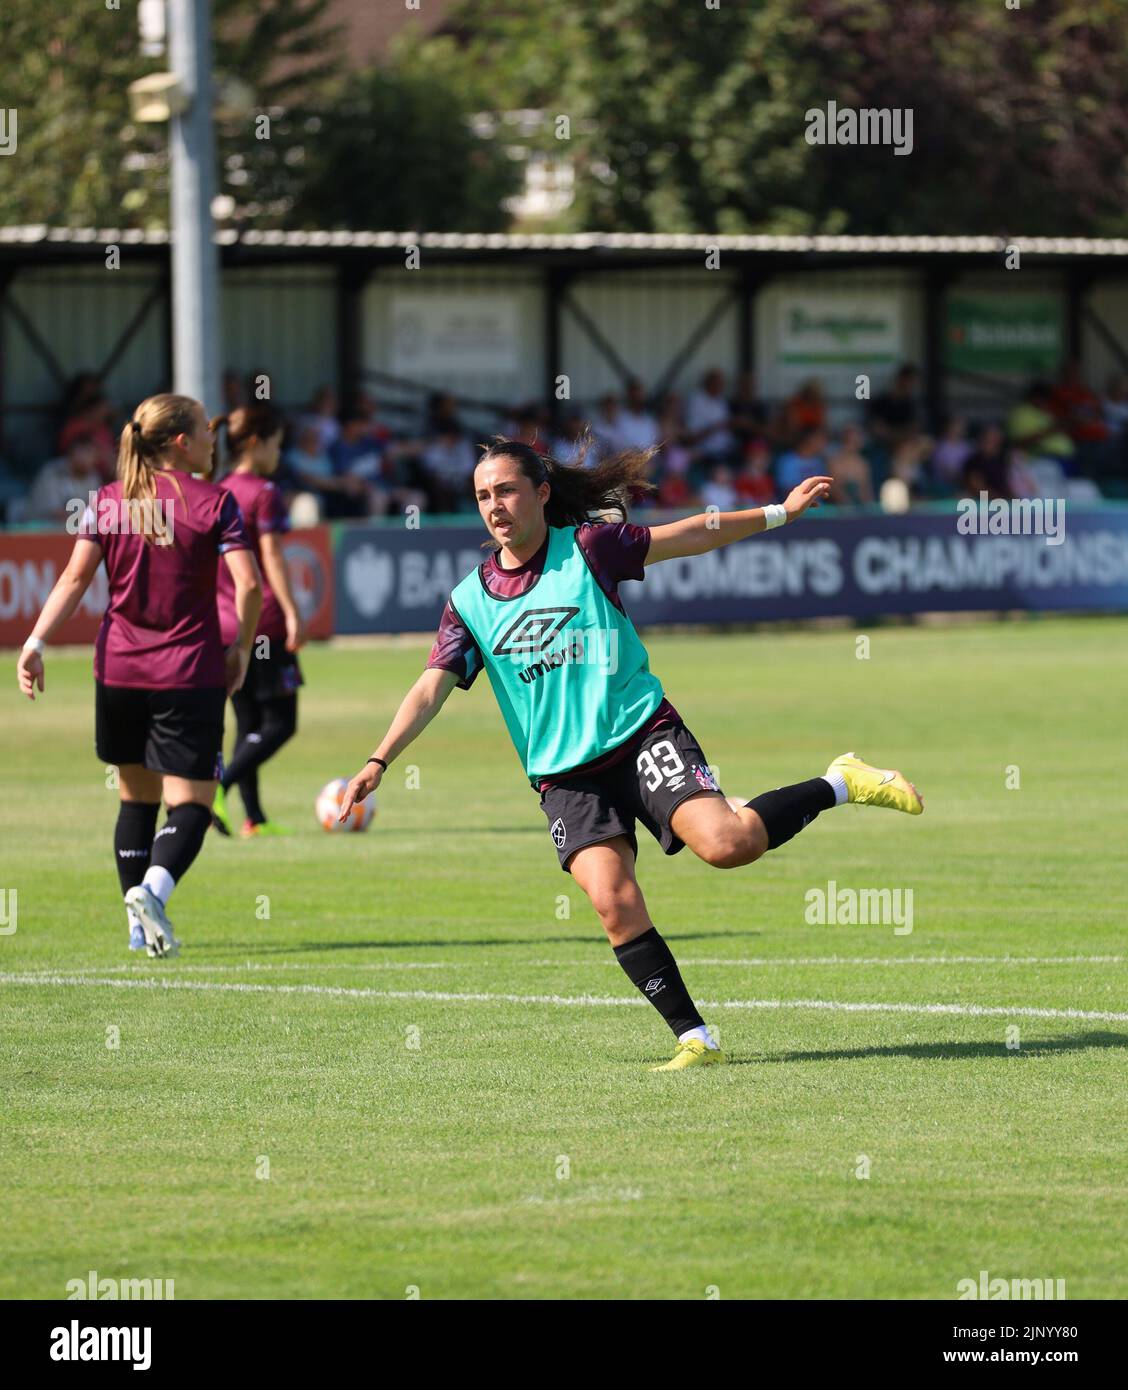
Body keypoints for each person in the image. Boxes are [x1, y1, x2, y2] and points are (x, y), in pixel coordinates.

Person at [336, 441, 923, 1072]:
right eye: (483, 496)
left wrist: (778, 513)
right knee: (613, 900)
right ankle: (696, 1037)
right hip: (564, 778)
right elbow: (431, 686)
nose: (494, 507)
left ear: (540, 494)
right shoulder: (468, 603)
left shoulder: (589, 549)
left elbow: (692, 533)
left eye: (506, 490)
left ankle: (841, 781)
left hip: (641, 733)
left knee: (728, 845)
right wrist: (378, 760)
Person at [15, 394, 262, 956]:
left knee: (135, 801)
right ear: (180, 442)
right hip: (187, 672)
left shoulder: (107, 502)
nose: (211, 439)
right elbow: (247, 585)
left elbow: (74, 581)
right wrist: (243, 649)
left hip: (119, 671)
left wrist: (35, 642)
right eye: (203, 430)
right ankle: (152, 891)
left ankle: (136, 927)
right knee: (194, 805)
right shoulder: (213, 501)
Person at [211, 404, 306, 839]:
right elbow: (270, 555)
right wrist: (290, 611)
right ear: (256, 443)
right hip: (261, 620)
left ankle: (254, 818)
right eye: (277, 444)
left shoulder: (218, 490)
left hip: (223, 623)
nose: (279, 453)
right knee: (281, 724)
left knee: (248, 724)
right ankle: (221, 786)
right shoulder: (263, 491)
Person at [27, 433, 104, 524]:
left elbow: (96, 512)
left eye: (93, 454)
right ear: (72, 452)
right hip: (39, 531)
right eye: (85, 452)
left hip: (72, 531)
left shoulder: (93, 477)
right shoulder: (52, 472)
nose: (88, 458)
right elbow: (56, 514)